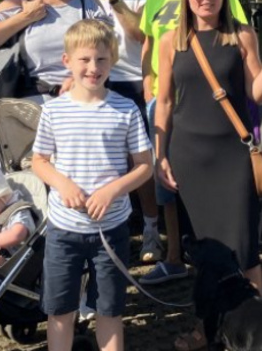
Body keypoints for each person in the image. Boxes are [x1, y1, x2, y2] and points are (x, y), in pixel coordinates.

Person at [153, 0, 262, 351]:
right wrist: (159, 154)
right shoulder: (170, 41)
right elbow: (163, 103)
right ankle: (207, 329)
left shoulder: (241, 34)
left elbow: (257, 94)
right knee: (208, 251)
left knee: (245, 248)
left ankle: (257, 330)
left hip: (233, 155)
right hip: (189, 156)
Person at [139, 0, 252, 285]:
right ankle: (173, 256)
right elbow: (147, 41)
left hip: (223, 121)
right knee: (168, 193)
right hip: (173, 106)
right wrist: (148, 88)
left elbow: (240, 56)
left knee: (239, 236)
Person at [31, 20, 153, 351]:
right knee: (60, 311)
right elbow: (38, 160)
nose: (93, 68)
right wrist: (63, 184)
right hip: (63, 229)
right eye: (84, 60)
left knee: (109, 310)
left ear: (112, 61)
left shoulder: (126, 109)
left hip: (111, 229)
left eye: (101, 59)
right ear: (67, 61)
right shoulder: (53, 110)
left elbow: (145, 165)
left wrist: (113, 189)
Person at [79, 0, 164, 263]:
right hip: (95, 78)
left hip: (131, 79)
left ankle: (152, 229)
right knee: (101, 158)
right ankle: (110, 233)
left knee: (138, 159)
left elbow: (142, 34)